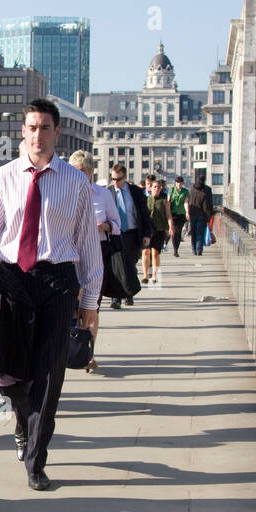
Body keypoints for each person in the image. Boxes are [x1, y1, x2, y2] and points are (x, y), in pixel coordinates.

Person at [0, 99, 102, 491]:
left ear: (57, 132)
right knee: (3, 369)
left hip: (56, 282)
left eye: (45, 127)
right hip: (12, 279)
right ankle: (24, 417)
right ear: (23, 132)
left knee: (49, 373)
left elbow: (87, 245)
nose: (38, 134)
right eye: (32, 127)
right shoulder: (6, 177)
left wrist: (90, 302)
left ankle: (36, 461)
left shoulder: (76, 182)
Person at [71, 152, 117, 370]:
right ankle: (72, 348)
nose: (79, 176)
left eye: (83, 172)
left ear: (90, 173)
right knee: (73, 306)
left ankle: (88, 352)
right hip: (70, 256)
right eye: (75, 171)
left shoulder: (102, 195)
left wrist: (104, 226)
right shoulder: (63, 193)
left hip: (96, 254)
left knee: (92, 305)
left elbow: (117, 225)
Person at [107, 163, 150, 309]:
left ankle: (129, 294)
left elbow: (144, 214)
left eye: (118, 179)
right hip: (115, 234)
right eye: (112, 179)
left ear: (125, 177)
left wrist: (146, 234)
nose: (115, 182)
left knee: (130, 265)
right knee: (116, 267)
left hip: (132, 234)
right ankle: (115, 298)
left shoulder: (136, 192)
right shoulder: (108, 192)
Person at [145, 177, 170, 283]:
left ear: (161, 189)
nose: (156, 189)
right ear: (150, 188)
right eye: (154, 187)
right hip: (147, 230)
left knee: (155, 253)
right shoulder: (145, 200)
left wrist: (170, 227)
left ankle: (154, 275)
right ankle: (146, 275)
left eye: (158, 187)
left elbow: (169, 215)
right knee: (146, 252)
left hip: (159, 229)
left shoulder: (164, 201)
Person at [189, 176, 214, 256]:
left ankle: (193, 249)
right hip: (202, 215)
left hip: (192, 214)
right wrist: (209, 216)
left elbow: (188, 201)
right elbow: (208, 205)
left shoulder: (191, 189)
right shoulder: (206, 190)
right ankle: (199, 249)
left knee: (193, 232)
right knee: (200, 232)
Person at [168, 176, 189, 257]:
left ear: (182, 183)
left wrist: (187, 212)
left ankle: (177, 248)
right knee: (174, 231)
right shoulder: (171, 190)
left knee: (179, 231)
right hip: (173, 214)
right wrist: (167, 212)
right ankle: (175, 250)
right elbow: (168, 201)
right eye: (177, 182)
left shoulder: (185, 191)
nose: (179, 184)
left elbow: (186, 202)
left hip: (181, 214)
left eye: (180, 182)